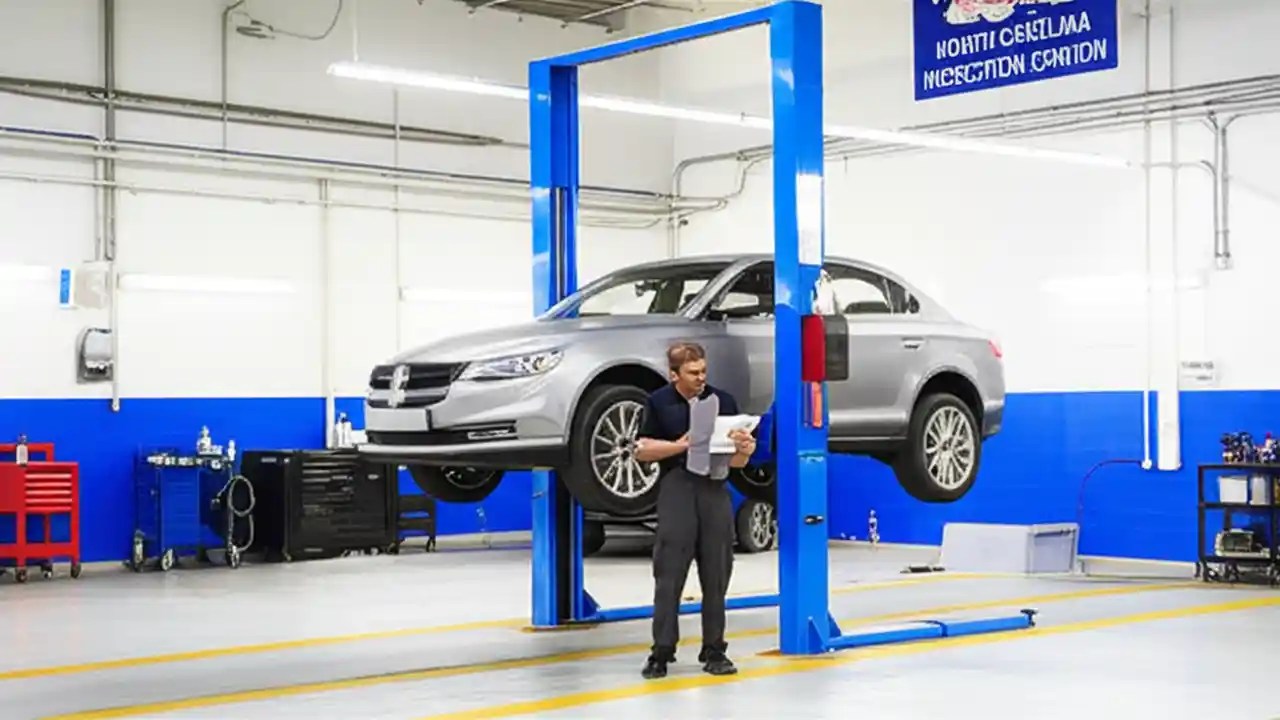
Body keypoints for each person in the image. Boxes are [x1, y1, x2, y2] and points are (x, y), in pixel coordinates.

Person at [633, 341, 757, 679]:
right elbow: (641, 450)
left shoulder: (723, 401)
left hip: (714, 486)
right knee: (669, 571)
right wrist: (683, 444)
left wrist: (745, 449)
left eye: (704, 371)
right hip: (678, 486)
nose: (701, 378)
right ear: (674, 374)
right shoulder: (658, 402)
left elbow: (737, 461)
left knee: (717, 572)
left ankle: (714, 649)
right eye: (693, 373)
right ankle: (661, 651)